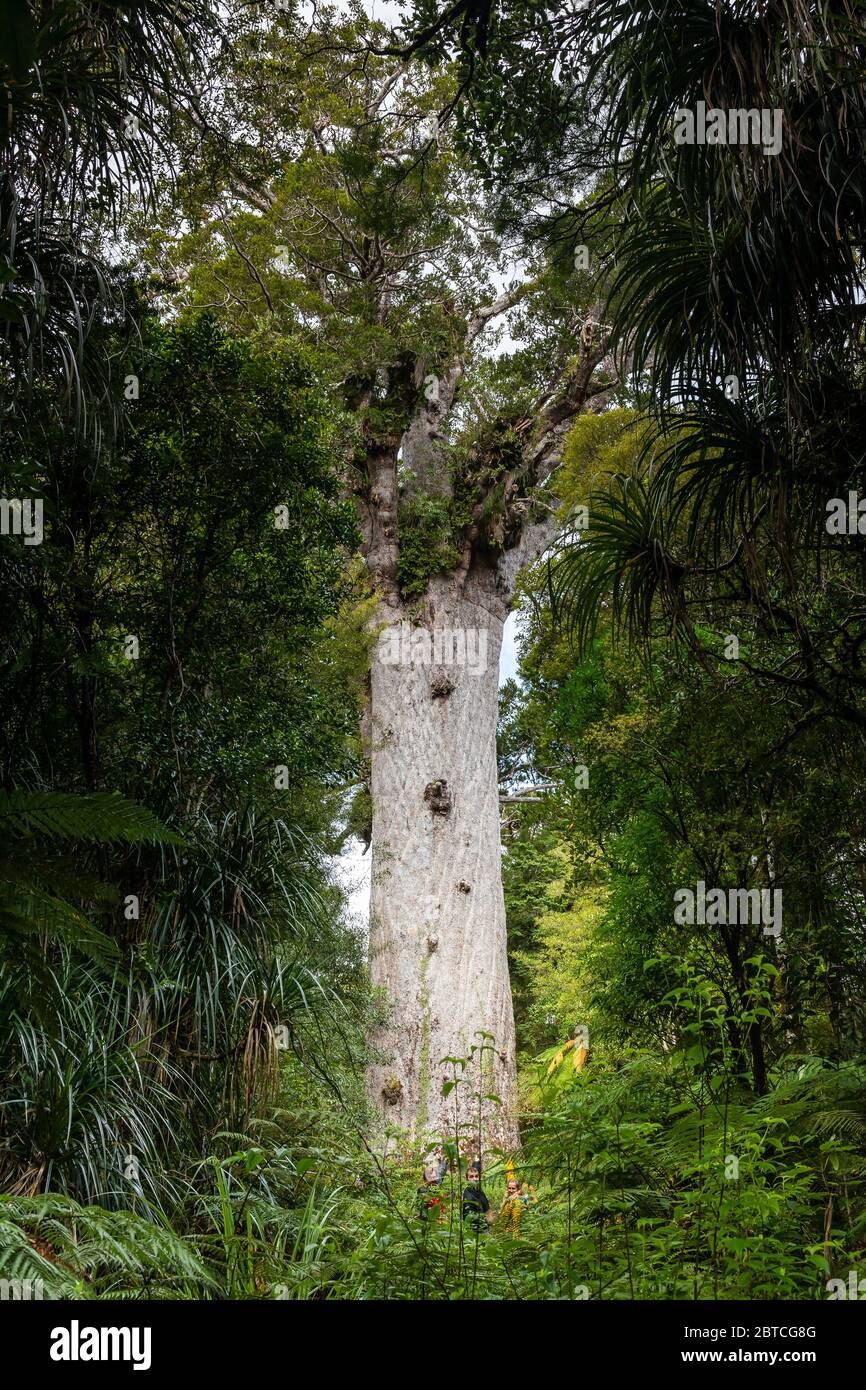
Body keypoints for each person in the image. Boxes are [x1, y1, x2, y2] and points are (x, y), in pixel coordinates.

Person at [461, 1161, 491, 1233]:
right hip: (477, 1231)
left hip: (484, 1227)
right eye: (471, 1176)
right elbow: (469, 1217)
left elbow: (486, 1208)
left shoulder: (479, 1190)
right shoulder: (468, 1194)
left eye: (476, 1176)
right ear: (467, 1179)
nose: (475, 1179)